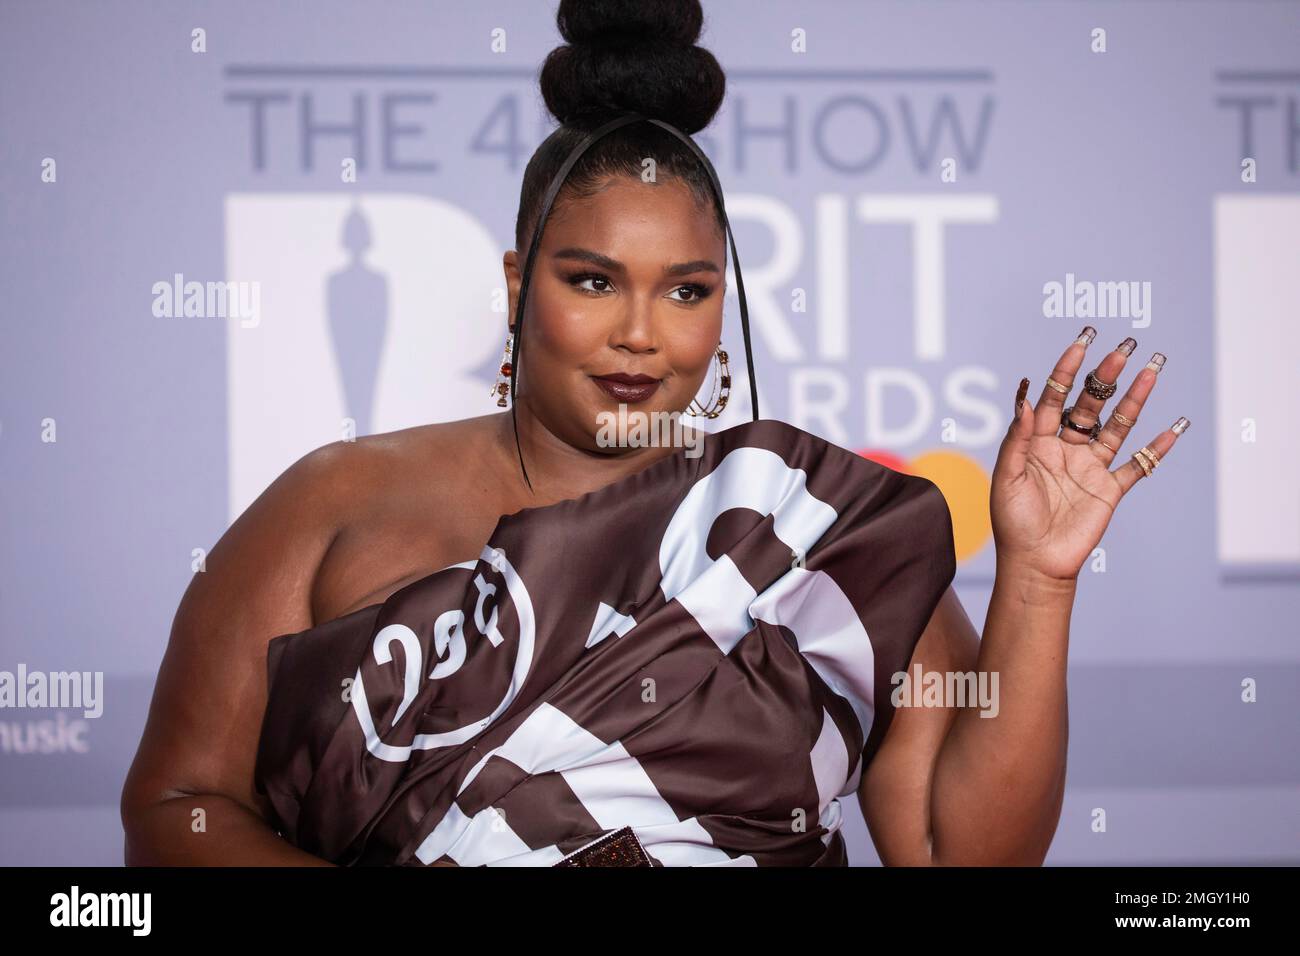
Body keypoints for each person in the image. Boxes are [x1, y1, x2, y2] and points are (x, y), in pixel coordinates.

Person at [120, 0, 1188, 866]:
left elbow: (963, 852)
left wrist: (1040, 581)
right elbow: (177, 805)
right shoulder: (335, 499)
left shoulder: (815, 528)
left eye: (685, 289)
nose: (639, 335)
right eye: (591, 281)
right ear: (515, 282)